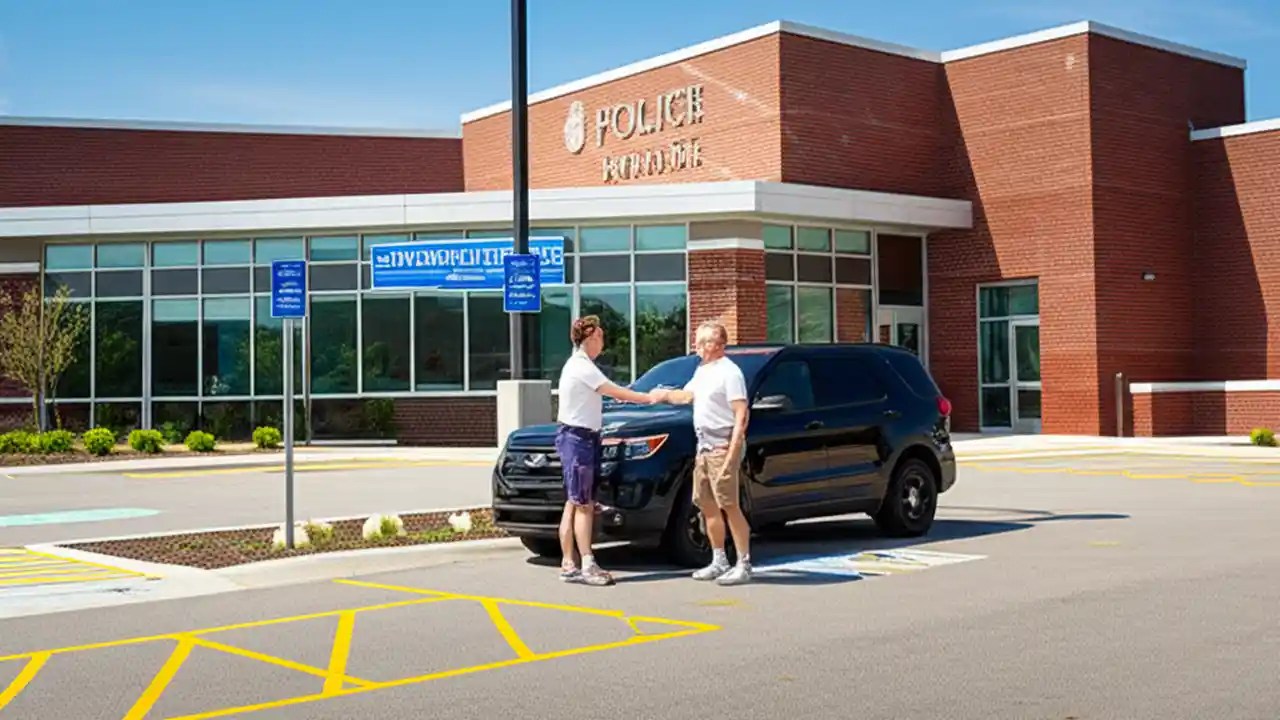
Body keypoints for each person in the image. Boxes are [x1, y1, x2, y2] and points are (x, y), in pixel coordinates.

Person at [554, 314, 656, 586]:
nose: (603, 342)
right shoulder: (582, 366)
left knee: (574, 502)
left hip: (578, 437)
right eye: (600, 336)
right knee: (584, 504)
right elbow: (615, 391)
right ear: (589, 338)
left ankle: (568, 564)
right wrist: (649, 398)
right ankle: (587, 565)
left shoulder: (579, 365)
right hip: (578, 438)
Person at [650, 320, 753, 586]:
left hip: (722, 446)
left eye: (702, 342)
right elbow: (687, 396)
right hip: (704, 447)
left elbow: (741, 414)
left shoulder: (730, 373)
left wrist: (732, 453)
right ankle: (719, 559)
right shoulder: (703, 371)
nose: (696, 346)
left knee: (729, 504)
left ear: (717, 345)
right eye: (697, 341)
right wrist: (662, 395)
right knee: (705, 503)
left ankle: (743, 563)